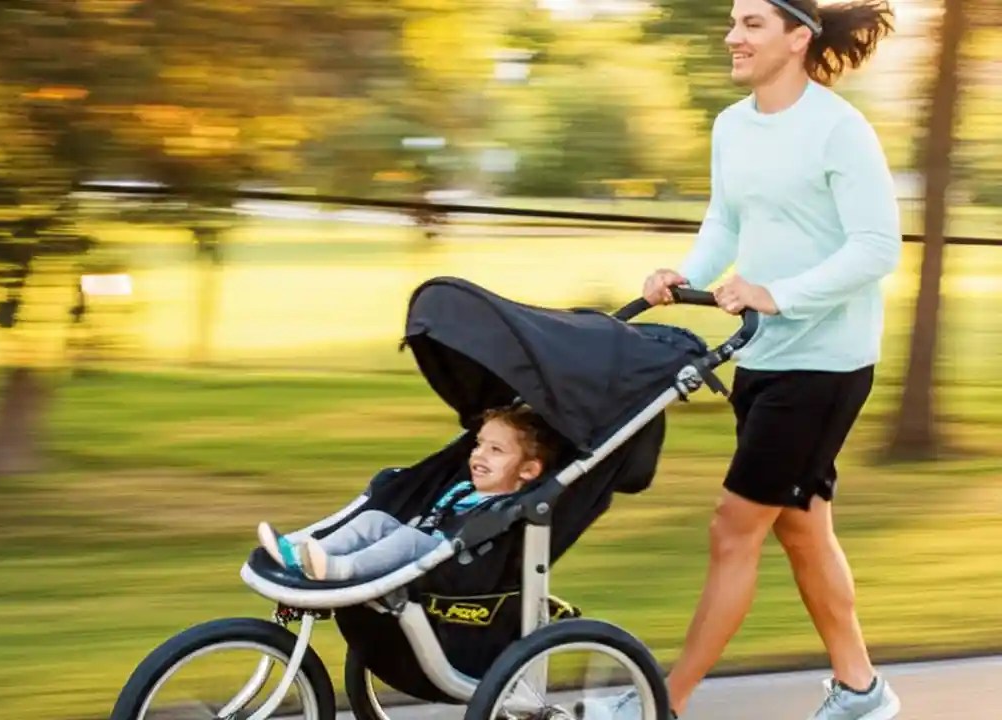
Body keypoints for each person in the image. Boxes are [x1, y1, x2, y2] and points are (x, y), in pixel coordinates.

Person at [577, 1, 902, 719]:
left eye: (752, 23)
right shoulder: (733, 126)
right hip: (762, 351)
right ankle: (861, 690)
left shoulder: (838, 130)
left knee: (734, 527)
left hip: (826, 362)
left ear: (798, 36)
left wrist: (775, 293)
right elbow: (726, 218)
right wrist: (681, 273)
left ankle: (661, 703)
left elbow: (877, 246)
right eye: (733, 21)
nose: (733, 36)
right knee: (800, 524)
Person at [257, 404, 559, 582]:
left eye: (496, 450)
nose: (479, 455)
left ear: (528, 470)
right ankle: (302, 552)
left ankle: (340, 569)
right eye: (478, 445)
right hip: (424, 546)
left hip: (451, 567)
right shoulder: (464, 488)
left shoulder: (511, 506)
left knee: (409, 538)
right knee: (375, 520)